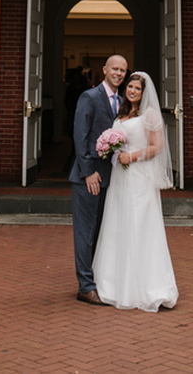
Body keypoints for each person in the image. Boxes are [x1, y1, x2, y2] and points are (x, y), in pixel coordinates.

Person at [93, 71, 178, 311]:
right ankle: (114, 284)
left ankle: (146, 286)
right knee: (118, 224)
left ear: (144, 92)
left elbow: (157, 147)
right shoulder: (122, 111)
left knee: (140, 225)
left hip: (139, 177)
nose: (132, 91)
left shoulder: (149, 114)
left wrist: (131, 156)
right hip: (121, 177)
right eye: (129, 87)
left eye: (137, 88)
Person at [69, 53, 128, 305]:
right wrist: (87, 171)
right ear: (104, 69)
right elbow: (80, 136)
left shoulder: (123, 101)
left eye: (123, 71)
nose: (118, 73)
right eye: (114, 68)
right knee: (85, 233)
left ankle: (97, 280)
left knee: (102, 232)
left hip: (110, 178)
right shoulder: (89, 97)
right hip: (89, 177)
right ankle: (85, 286)